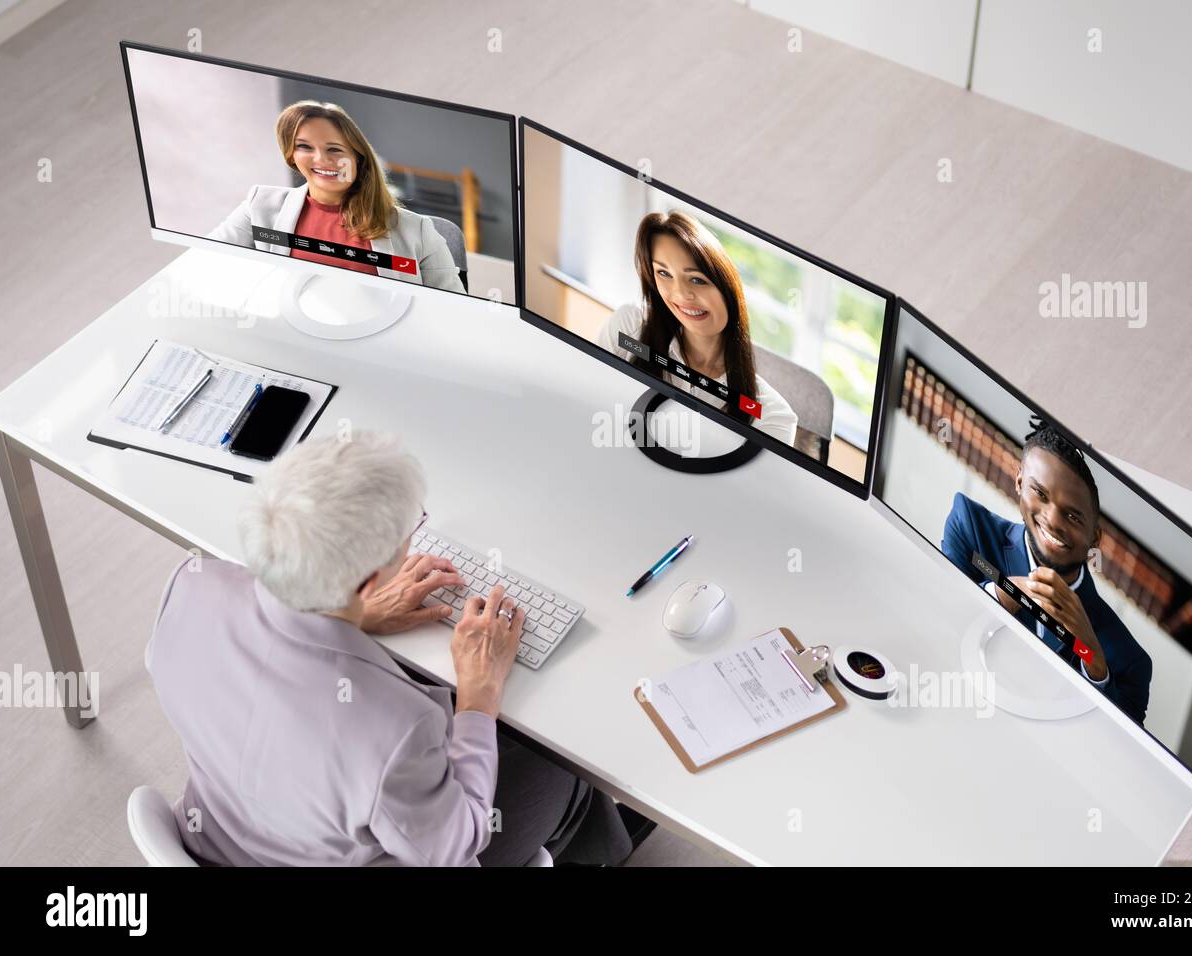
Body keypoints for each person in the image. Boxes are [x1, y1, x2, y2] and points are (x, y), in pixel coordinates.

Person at [146, 431, 645, 866]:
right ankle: (602, 848)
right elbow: (456, 844)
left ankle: (602, 844)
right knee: (561, 760)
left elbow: (270, 692)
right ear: (367, 579)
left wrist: (354, 616)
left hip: (222, 837)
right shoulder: (393, 729)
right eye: (414, 527)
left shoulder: (188, 586)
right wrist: (478, 695)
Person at [940, 419, 1153, 724]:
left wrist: (1091, 656)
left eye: (1073, 515)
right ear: (1019, 482)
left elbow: (1122, 754)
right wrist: (1002, 592)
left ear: (1095, 537)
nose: (1053, 521)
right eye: (1040, 493)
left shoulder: (1130, 661)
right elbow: (939, 617)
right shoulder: (971, 528)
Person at [208, 100, 465, 292]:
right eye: (304, 147)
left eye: (334, 149)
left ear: (358, 158)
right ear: (292, 156)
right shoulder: (260, 205)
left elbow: (455, 310)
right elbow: (205, 262)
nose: (321, 159)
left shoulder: (417, 229)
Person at [596, 210, 798, 446]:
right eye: (664, 273)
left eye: (697, 279)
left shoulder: (772, 416)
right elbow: (590, 401)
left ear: (728, 288)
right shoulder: (629, 329)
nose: (680, 294)